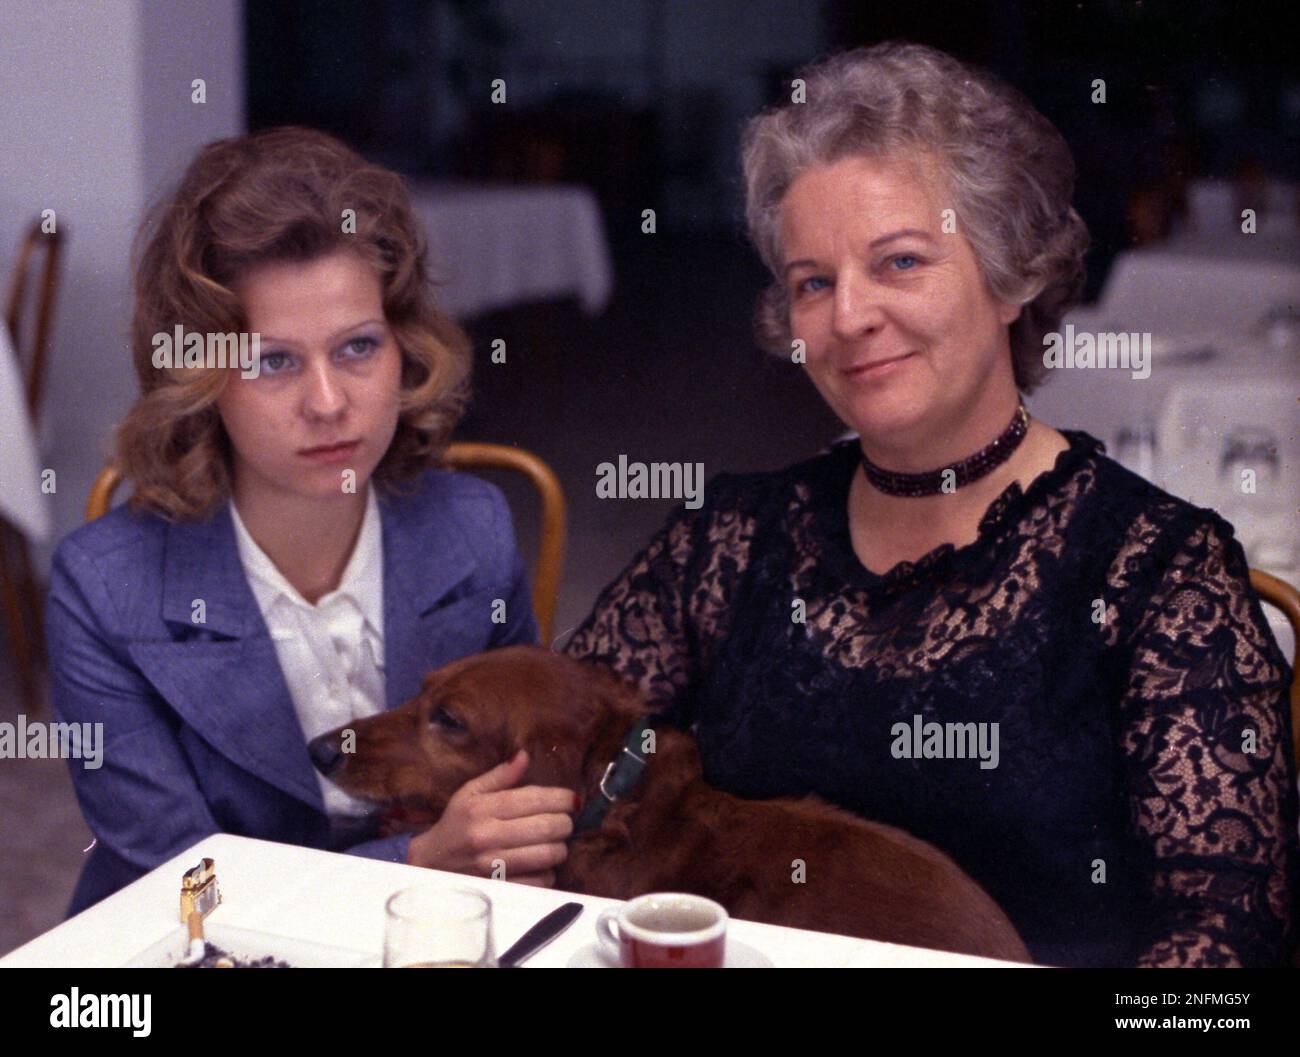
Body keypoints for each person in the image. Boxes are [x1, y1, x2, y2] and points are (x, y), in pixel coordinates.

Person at [563, 43, 1299, 967]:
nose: (850, 317)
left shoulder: (1154, 575)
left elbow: (1228, 946)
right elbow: (563, 741)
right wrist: (492, 823)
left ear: (1012, 273)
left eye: (900, 261)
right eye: (813, 283)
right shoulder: (727, 540)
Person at [48, 127, 573, 915]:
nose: (328, 403)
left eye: (358, 346)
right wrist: (420, 861)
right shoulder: (103, 587)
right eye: (273, 360)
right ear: (199, 377)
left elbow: (516, 801)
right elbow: (184, 889)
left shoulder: (472, 530)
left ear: (406, 345)